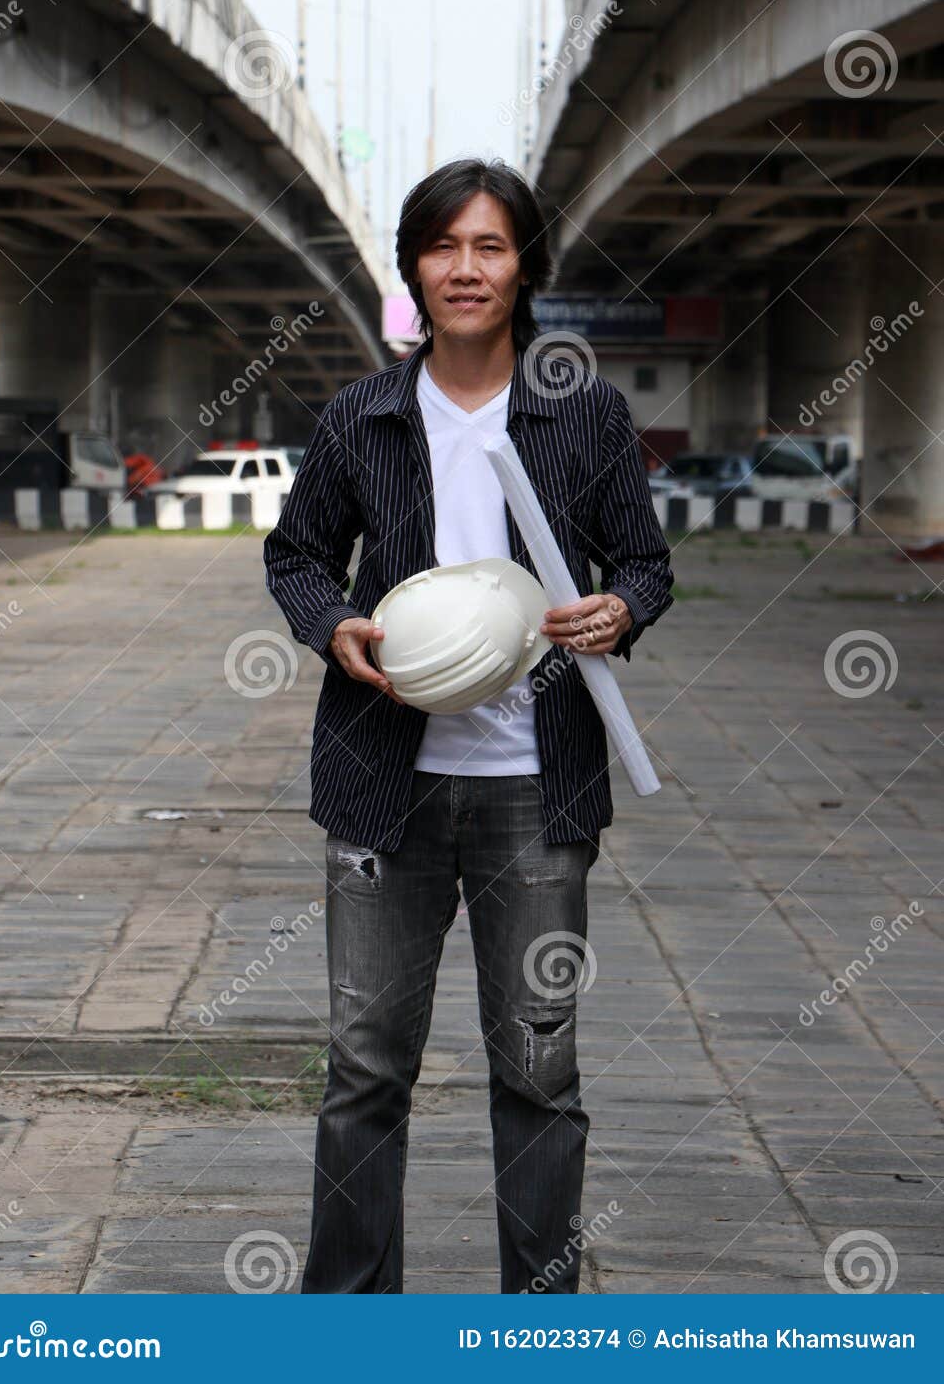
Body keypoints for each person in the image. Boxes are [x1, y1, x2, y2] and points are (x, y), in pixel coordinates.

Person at [263, 157, 674, 1294]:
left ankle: (538, 1325)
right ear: (412, 267)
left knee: (539, 1069)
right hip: (380, 787)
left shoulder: (580, 411)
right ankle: (350, 1326)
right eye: (442, 247)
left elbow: (643, 562)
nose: (464, 268)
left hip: (534, 793)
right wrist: (335, 622)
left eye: (488, 246)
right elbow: (294, 554)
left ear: (524, 265)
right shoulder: (363, 414)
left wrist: (618, 607)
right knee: (363, 1070)